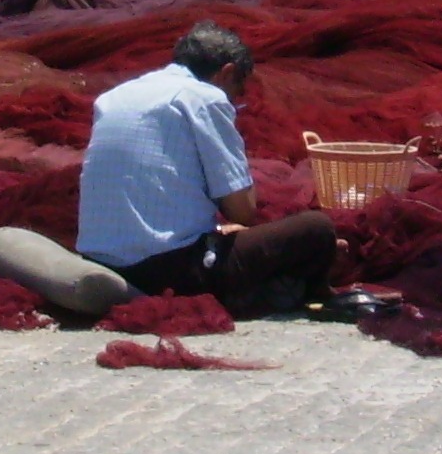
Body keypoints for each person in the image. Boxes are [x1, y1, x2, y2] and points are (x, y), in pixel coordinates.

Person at [75, 22, 340, 314]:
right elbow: (243, 211)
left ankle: (272, 289)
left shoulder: (113, 97)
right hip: (171, 271)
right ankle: (290, 292)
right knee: (318, 229)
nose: (234, 101)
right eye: (237, 90)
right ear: (226, 72)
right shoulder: (205, 98)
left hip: (101, 260)